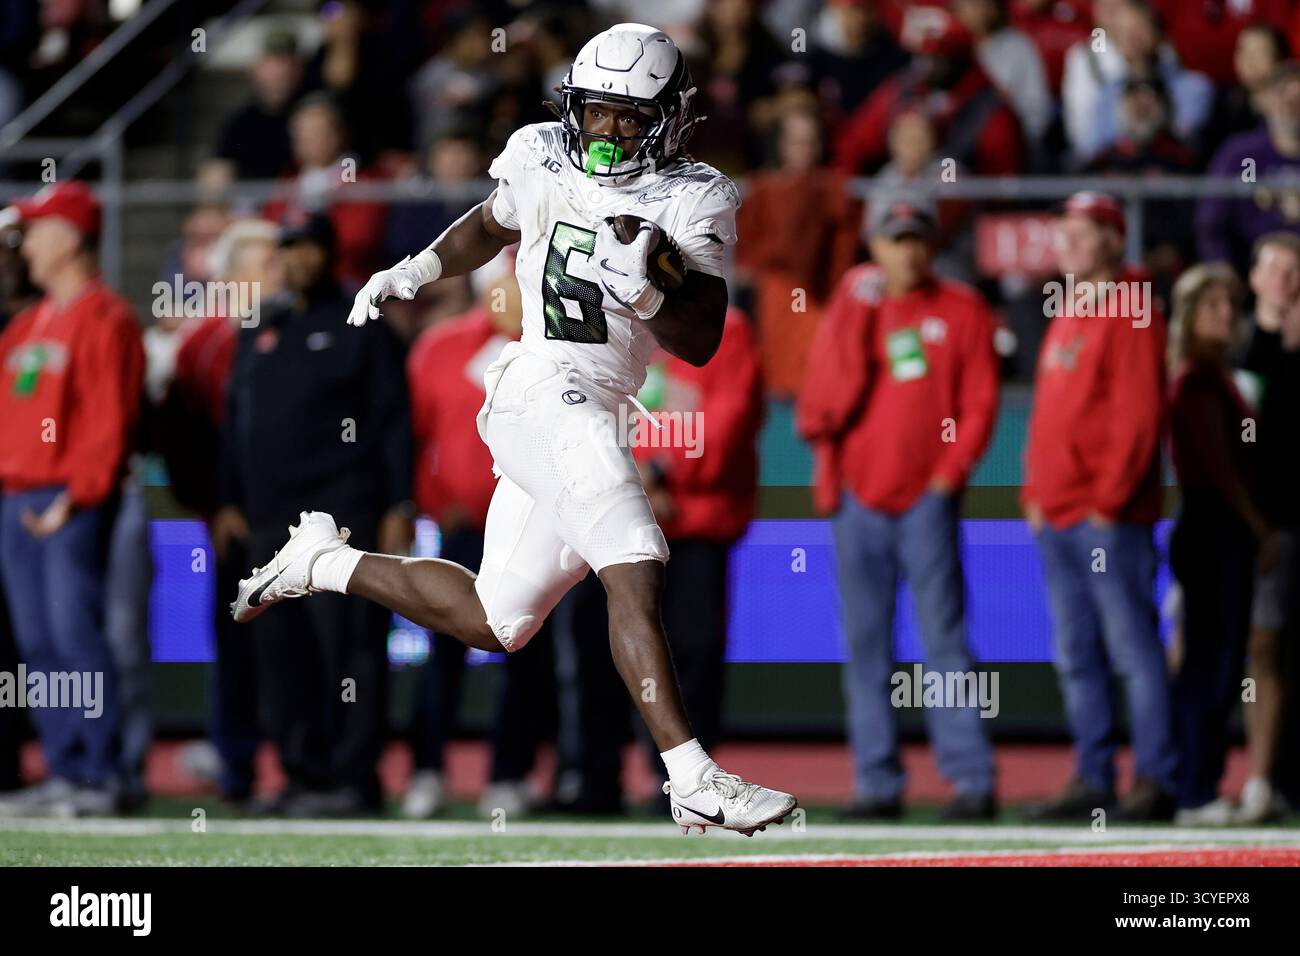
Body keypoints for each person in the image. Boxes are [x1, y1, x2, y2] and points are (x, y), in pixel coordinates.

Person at [230, 23, 798, 836]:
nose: (605, 130)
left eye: (627, 116)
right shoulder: (540, 154)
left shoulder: (695, 193)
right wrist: (417, 268)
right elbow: (491, 222)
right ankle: (692, 777)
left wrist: (650, 288)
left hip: (599, 399)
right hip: (541, 384)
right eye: (595, 111)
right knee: (634, 557)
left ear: (669, 116)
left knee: (497, 621)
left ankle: (324, 560)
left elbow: (701, 338)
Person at [797, 199, 1001, 820]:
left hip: (925, 504)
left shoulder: (962, 308)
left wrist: (946, 478)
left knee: (945, 643)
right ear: (876, 248)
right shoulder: (857, 305)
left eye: (917, 240)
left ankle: (971, 781)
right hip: (860, 500)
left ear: (931, 246)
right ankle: (878, 784)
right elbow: (822, 404)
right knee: (866, 647)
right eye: (895, 240)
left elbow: (981, 403)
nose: (907, 251)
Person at [216, 211, 412, 817]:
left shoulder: (363, 323)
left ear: (329, 254)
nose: (296, 259)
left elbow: (394, 422)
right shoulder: (261, 329)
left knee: (348, 650)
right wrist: (227, 498)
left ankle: (351, 779)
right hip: (268, 520)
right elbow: (237, 422)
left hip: (341, 518)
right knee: (281, 653)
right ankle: (302, 774)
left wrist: (399, 503)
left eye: (307, 248)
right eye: (288, 248)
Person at [555, 308, 764, 814]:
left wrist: (661, 473)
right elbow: (573, 408)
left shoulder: (724, 327)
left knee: (690, 651)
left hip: (691, 524)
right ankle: (592, 778)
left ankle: (681, 784)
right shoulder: (594, 319)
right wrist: (631, 476)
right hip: (605, 516)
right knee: (595, 648)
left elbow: (729, 418)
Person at [1023, 192, 1177, 821]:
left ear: (1115, 241)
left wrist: (1108, 502)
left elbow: (1139, 419)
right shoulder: (1072, 307)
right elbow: (1053, 414)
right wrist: (1035, 492)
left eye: (1089, 232)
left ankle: (1155, 778)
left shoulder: (1135, 306)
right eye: (1067, 231)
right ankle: (1093, 777)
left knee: (1134, 652)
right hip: (1059, 513)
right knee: (1077, 655)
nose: (1073, 242)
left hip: (1105, 519)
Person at [0, 181, 145, 816]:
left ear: (68, 238)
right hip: (17, 497)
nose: (24, 243)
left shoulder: (106, 317)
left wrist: (78, 495)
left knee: (75, 635)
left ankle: (101, 774)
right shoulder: (27, 323)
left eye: (34, 230)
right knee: (38, 643)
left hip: (66, 499)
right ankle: (65, 768)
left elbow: (108, 421)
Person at [401, 249, 556, 820]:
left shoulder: (560, 351)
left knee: (525, 655)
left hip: (533, 529)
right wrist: (431, 502)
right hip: (460, 527)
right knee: (441, 654)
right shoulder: (440, 347)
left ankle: (509, 774)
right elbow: (414, 435)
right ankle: (427, 771)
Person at [165, 218, 284, 806]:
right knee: (238, 640)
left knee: (296, 645)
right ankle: (236, 767)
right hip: (233, 518)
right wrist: (213, 506)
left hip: (294, 515)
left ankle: (301, 768)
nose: (279, 274)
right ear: (235, 275)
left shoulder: (296, 324)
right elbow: (184, 435)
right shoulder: (204, 341)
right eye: (266, 265)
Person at [1165, 264, 1275, 825]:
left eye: (1230, 305)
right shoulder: (1197, 381)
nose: (1226, 314)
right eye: (1212, 305)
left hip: (1217, 528)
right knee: (1211, 662)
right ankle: (1194, 788)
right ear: (1188, 315)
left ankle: (1196, 784)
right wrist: (1261, 530)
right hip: (1213, 529)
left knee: (1216, 660)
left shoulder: (1217, 375)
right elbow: (1219, 469)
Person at [1235, 232, 1300, 822]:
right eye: (1272, 267)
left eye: (1292, 270)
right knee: (1196, 648)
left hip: (1284, 526)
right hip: (1228, 526)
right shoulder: (1230, 346)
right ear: (1253, 277)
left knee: (1271, 647)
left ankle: (1270, 781)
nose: (1282, 279)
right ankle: (1198, 782)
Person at [1199, 61, 1300, 273]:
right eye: (1282, 95)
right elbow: (1212, 223)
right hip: (1251, 273)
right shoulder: (1245, 157)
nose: (1291, 106)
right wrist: (1223, 271)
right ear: (1265, 102)